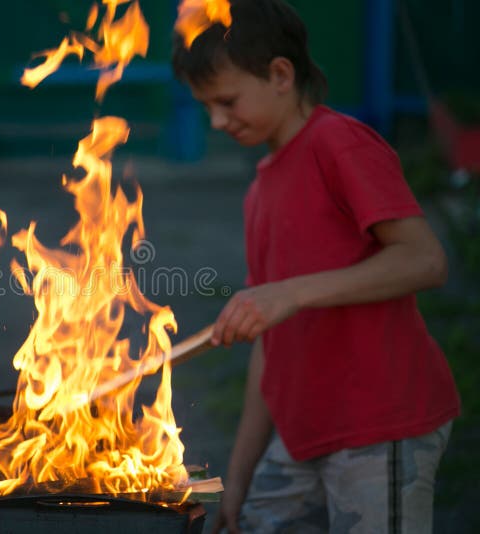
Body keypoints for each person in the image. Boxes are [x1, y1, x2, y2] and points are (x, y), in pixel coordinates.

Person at [172, 1, 460, 532]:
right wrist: (237, 477)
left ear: (280, 74)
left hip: (379, 424)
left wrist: (289, 293)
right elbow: (269, 341)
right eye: (206, 107)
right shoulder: (258, 190)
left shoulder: (338, 143)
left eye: (227, 101)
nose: (216, 120)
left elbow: (425, 259)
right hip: (301, 435)